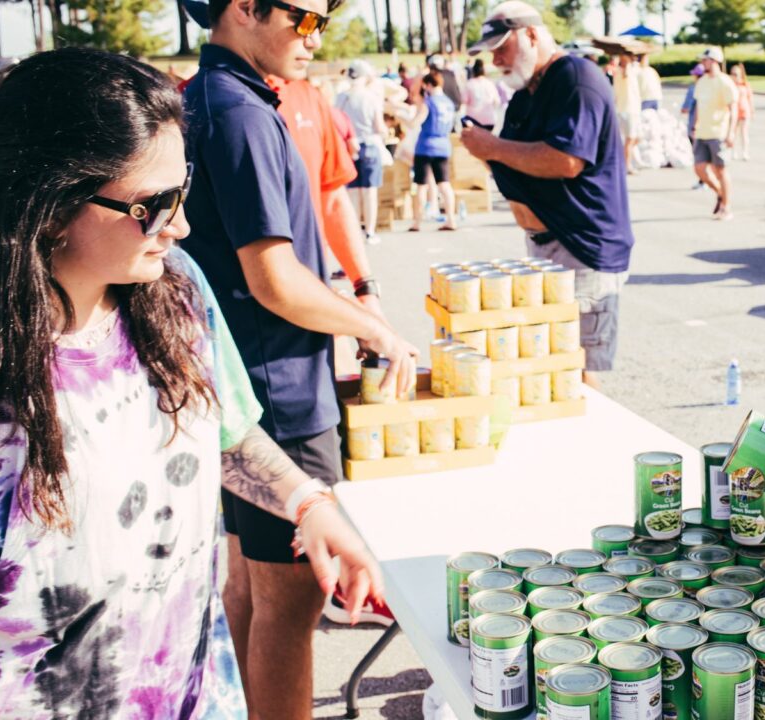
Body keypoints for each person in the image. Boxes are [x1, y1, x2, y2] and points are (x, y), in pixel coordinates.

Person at [0, 46, 382, 715]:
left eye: (185, 189)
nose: (181, 224)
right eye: (153, 205)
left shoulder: (176, 288)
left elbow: (223, 429)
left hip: (195, 692)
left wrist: (307, 503)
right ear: (50, 203)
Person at [182, 1, 419, 717]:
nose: (316, 37)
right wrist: (376, 330)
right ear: (244, 8)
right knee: (290, 606)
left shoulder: (217, 96)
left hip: (246, 391)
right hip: (277, 395)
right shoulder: (240, 112)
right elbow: (275, 280)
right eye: (306, 19)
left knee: (251, 591)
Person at [461, 1, 633, 387]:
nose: (496, 60)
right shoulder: (526, 92)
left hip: (581, 246)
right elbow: (514, 161)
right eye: (491, 52)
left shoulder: (576, 78)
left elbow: (567, 160)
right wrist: (485, 148)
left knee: (578, 371)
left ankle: (594, 427)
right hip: (545, 245)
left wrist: (491, 147)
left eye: (502, 48)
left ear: (531, 35)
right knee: (554, 365)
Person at [335, 60, 391, 245]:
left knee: (352, 194)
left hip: (348, 148)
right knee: (369, 193)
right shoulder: (371, 97)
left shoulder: (341, 98)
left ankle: (354, 232)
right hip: (369, 145)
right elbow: (379, 127)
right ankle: (370, 231)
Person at [692, 46, 737, 220]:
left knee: (721, 170)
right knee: (699, 169)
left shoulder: (725, 82)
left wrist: (731, 133)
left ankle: (726, 206)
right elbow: (698, 106)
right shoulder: (702, 81)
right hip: (702, 132)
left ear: (714, 61)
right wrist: (694, 125)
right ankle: (719, 192)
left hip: (719, 132)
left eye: (705, 60)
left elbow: (733, 109)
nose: (703, 63)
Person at [411, 71, 460, 232]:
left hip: (426, 145)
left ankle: (417, 222)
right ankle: (451, 219)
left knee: (421, 185)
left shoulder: (429, 102)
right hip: (443, 144)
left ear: (428, 85)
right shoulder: (449, 103)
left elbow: (417, 121)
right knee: (444, 184)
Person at [614, 52, 642, 174]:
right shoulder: (623, 72)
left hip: (632, 109)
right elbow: (625, 73)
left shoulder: (631, 70)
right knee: (630, 139)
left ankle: (624, 161)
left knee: (636, 138)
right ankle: (627, 165)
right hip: (627, 110)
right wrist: (625, 58)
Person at [680, 63, 705, 190]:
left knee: (699, 155)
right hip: (707, 126)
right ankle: (705, 179)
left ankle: (703, 180)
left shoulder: (694, 88)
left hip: (694, 126)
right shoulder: (709, 88)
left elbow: (686, 108)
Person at [462, 58, 503, 130]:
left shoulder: (469, 84)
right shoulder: (489, 84)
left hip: (473, 120)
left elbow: (463, 100)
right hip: (489, 120)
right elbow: (497, 101)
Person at [730, 63, 753, 160]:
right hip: (734, 112)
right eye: (732, 74)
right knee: (734, 133)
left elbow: (750, 98)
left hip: (744, 111)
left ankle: (745, 152)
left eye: (736, 74)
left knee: (744, 133)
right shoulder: (730, 85)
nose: (734, 76)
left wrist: (752, 111)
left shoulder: (745, 84)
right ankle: (733, 152)